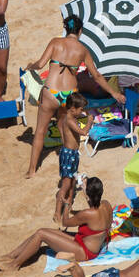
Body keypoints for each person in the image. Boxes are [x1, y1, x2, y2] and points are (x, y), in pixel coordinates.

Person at [26, 15, 123, 176]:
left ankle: (31, 170)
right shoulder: (82, 50)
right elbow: (96, 76)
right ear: (80, 31)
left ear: (66, 28)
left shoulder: (55, 42)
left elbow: (40, 64)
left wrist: (31, 66)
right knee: (64, 128)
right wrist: (114, 93)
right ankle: (68, 164)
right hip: (69, 95)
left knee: (40, 131)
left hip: (50, 92)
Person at [0, 176, 115, 272]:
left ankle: (15, 265)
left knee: (41, 234)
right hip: (86, 244)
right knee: (42, 231)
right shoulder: (106, 204)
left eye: (84, 187)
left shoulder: (88, 214)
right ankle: (12, 255)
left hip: (85, 253)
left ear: (88, 195)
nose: (82, 187)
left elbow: (65, 222)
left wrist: (67, 205)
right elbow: (92, 215)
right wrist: (81, 203)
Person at [53, 92, 95, 223]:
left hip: (72, 153)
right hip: (68, 154)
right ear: (72, 108)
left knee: (72, 180)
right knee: (66, 185)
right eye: (80, 109)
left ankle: (69, 203)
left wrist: (84, 113)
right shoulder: (70, 120)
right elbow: (83, 132)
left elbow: (79, 116)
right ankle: (57, 212)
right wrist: (89, 121)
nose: (82, 112)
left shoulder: (70, 116)